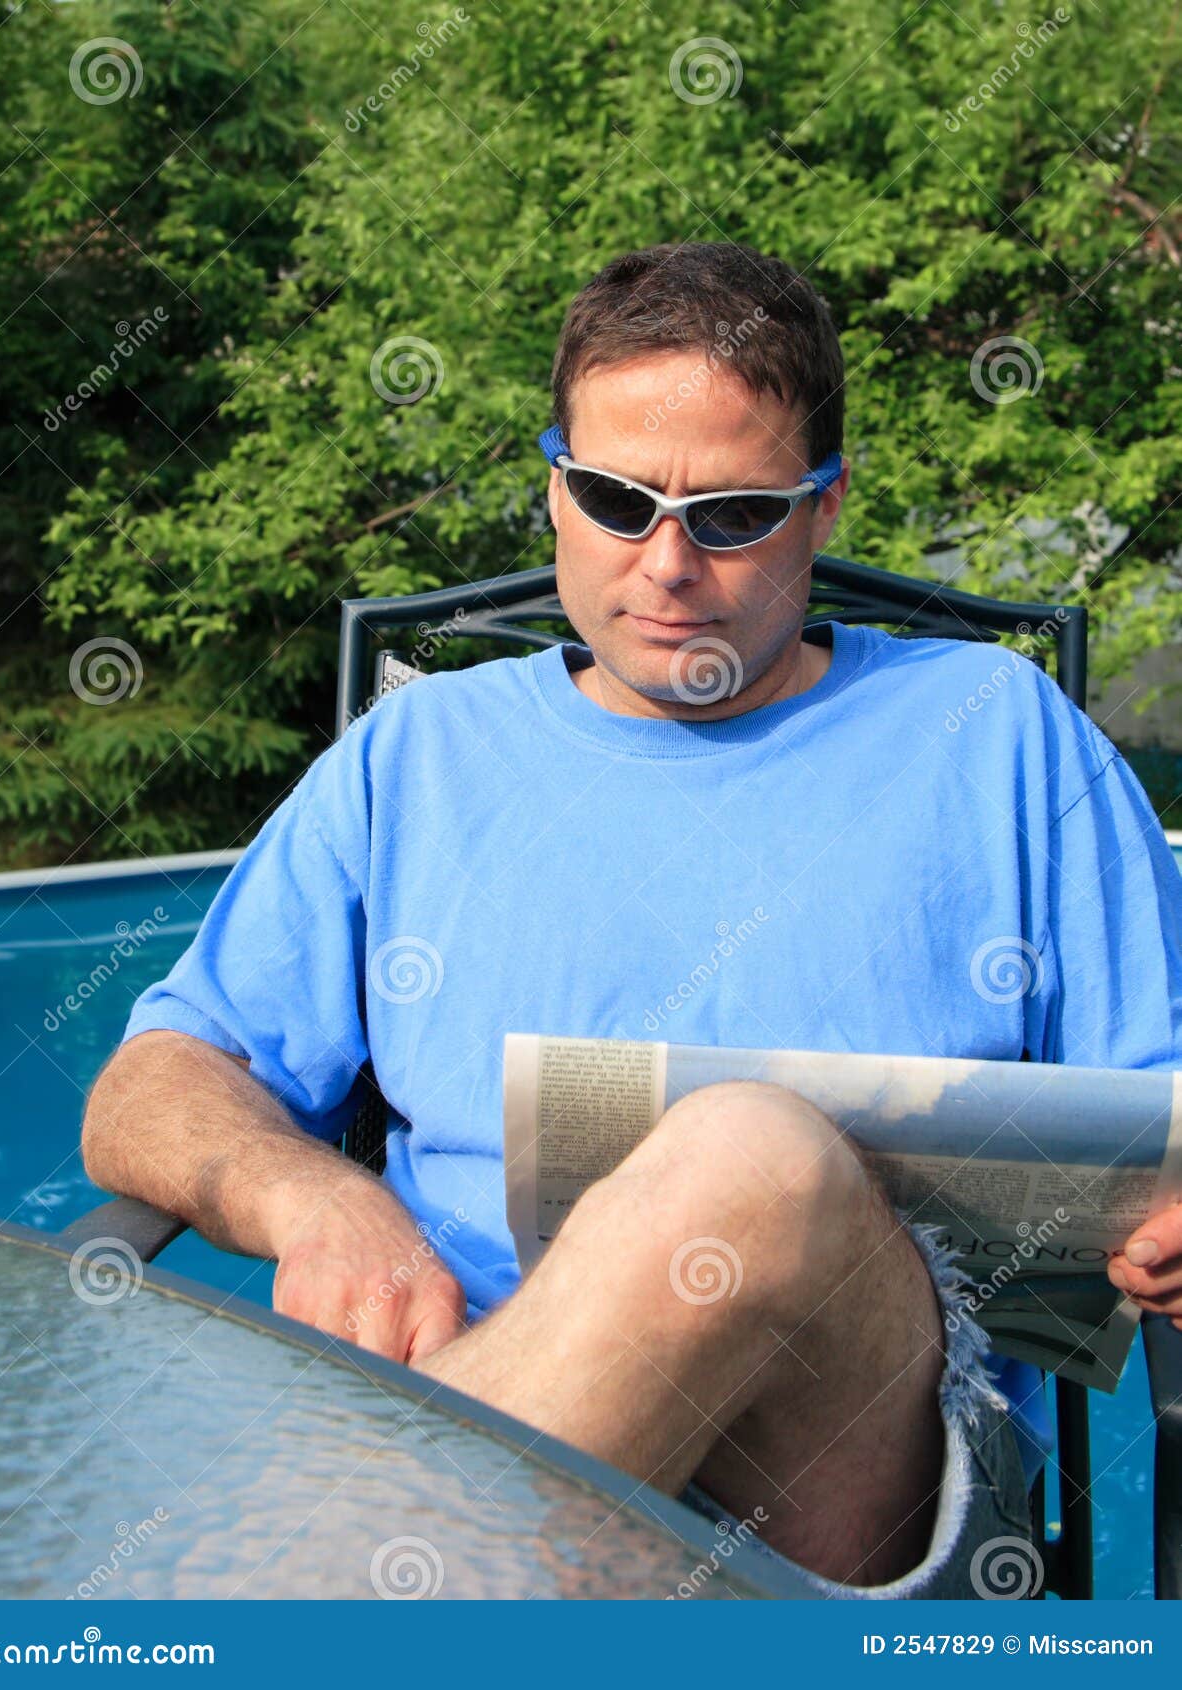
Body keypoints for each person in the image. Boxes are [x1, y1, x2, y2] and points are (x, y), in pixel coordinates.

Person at [82, 242, 1182, 1598]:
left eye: (734, 514)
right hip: (476, 1415)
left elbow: (1165, 1113)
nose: (667, 564)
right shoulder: (413, 758)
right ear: (555, 488)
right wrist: (311, 1195)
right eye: (615, 499)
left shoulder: (1000, 736)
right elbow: (154, 1085)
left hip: (852, 1491)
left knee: (747, 1156)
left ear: (825, 508)